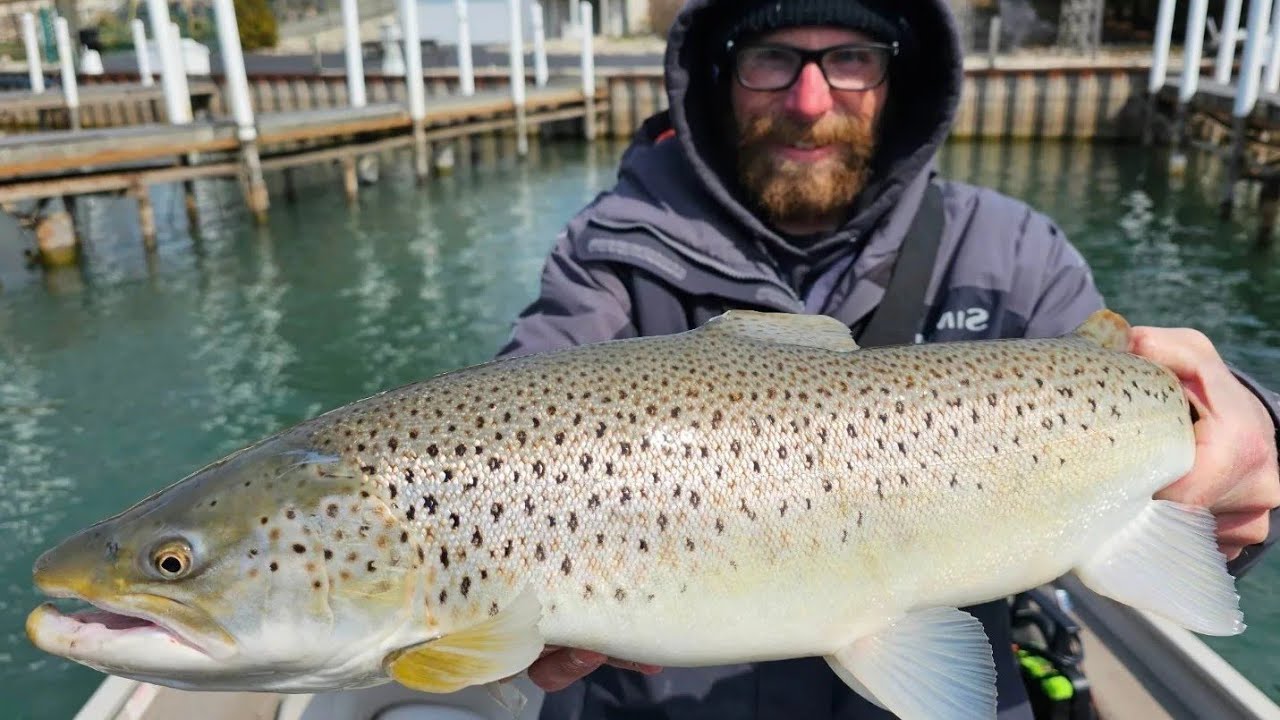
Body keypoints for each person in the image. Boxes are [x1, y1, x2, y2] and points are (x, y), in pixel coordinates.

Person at [496, 0, 1280, 717]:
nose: (808, 100)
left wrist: (1248, 427)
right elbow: (502, 423)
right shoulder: (605, 256)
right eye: (771, 58)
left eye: (850, 58)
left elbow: (1176, 421)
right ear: (716, 74)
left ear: (897, 76)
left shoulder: (1012, 250)